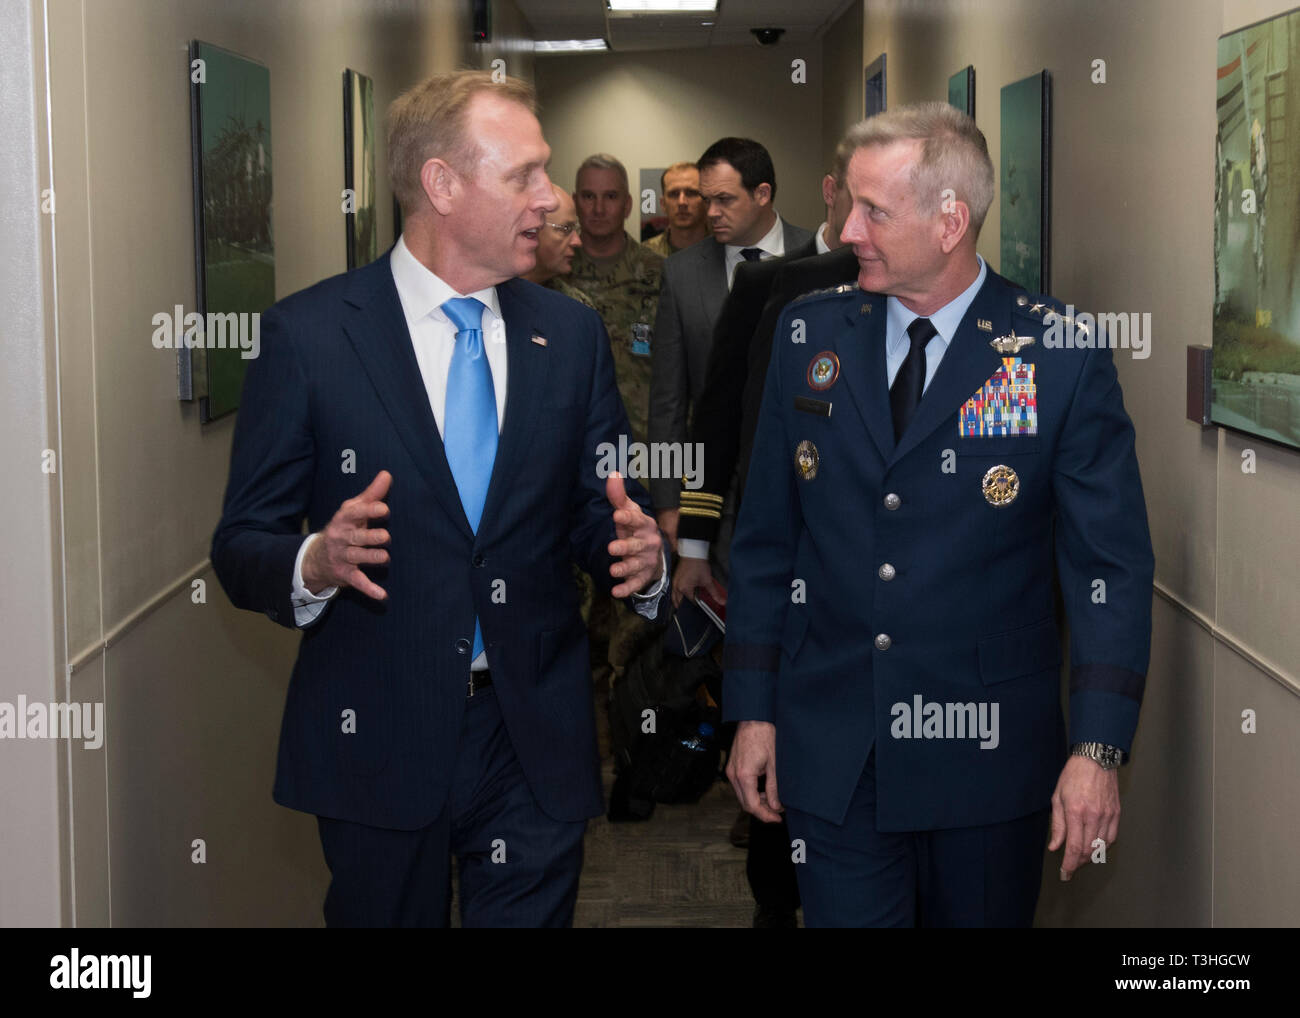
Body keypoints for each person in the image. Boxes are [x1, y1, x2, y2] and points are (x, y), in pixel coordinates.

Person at [210, 70, 668, 929]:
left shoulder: (567, 336)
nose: (552, 197)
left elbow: (600, 506)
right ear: (441, 185)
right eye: (524, 174)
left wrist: (636, 555)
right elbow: (240, 545)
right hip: (376, 732)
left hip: (530, 730)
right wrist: (316, 559)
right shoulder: (310, 338)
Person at [723, 101, 1154, 927]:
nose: (848, 229)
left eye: (873, 211)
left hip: (989, 758)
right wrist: (752, 708)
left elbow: (1109, 567)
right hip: (835, 747)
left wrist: (1097, 750)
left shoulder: (1055, 353)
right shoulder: (806, 333)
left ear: (951, 221)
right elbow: (768, 539)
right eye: (850, 204)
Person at [670, 140, 857, 929]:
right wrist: (694, 544)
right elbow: (714, 423)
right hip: (776, 553)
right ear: (833, 190)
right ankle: (775, 903)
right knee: (772, 730)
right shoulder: (771, 287)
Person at [649, 137, 813, 553]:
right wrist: (669, 503)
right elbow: (668, 401)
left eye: (724, 199)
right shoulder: (682, 273)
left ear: (762, 194)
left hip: (807, 485)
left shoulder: (819, 259)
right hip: (713, 496)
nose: (711, 213)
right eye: (708, 200)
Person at [522, 183, 594, 308]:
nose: (577, 242)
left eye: (576, 229)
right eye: (566, 229)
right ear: (530, 230)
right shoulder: (488, 296)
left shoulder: (575, 306)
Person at [644, 162, 709, 257]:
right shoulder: (643, 256)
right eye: (673, 194)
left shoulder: (726, 253)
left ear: (706, 201)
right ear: (663, 204)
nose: (682, 202)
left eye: (691, 193)